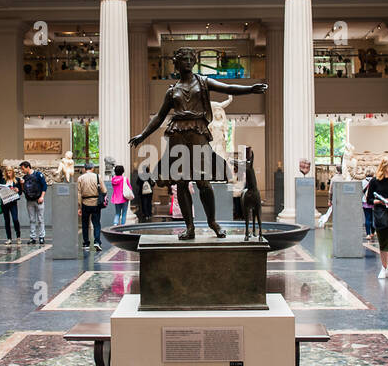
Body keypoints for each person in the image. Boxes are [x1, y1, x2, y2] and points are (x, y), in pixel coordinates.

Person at [129, 47, 267, 241]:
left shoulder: (203, 82)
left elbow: (227, 88)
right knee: (181, 182)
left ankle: (212, 222)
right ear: (176, 63)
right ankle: (189, 227)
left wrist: (250, 89)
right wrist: (143, 135)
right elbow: (159, 117)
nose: (187, 61)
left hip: (198, 133)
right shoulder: (172, 91)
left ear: (193, 62)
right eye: (183, 59)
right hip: (178, 135)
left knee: (203, 182)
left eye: (190, 58)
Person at [78, 161, 104, 251]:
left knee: (85, 224)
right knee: (96, 223)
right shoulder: (98, 177)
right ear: (92, 168)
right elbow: (104, 190)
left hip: (85, 203)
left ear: (84, 169)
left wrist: (79, 207)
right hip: (96, 203)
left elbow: (79, 193)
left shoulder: (80, 178)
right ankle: (97, 242)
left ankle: (86, 243)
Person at [19, 161, 47, 244]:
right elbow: (24, 190)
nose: (22, 171)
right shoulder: (25, 177)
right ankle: (32, 237)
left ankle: (42, 236)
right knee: (32, 219)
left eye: (23, 169)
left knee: (40, 219)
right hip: (29, 201)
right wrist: (22, 184)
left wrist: (42, 197)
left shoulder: (38, 174)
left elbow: (44, 185)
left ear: (28, 167)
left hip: (38, 200)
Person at [0, 165, 22, 243]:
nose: (8, 173)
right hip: (5, 202)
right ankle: (9, 238)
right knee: (7, 221)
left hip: (13, 202)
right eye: (7, 171)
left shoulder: (16, 180)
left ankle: (18, 237)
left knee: (15, 219)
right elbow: (0, 190)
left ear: (12, 172)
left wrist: (17, 190)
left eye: (10, 171)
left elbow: (20, 192)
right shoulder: (3, 180)